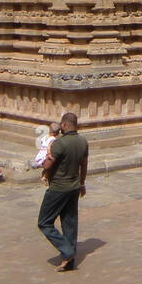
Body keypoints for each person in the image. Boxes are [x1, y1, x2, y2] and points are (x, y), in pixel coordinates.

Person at [38, 111, 88, 271]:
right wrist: (82, 183)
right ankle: (69, 261)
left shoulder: (59, 143)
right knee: (69, 223)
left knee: (44, 222)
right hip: (74, 187)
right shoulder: (83, 142)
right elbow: (84, 165)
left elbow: (47, 165)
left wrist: (47, 153)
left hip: (58, 188)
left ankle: (67, 251)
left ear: (65, 125)